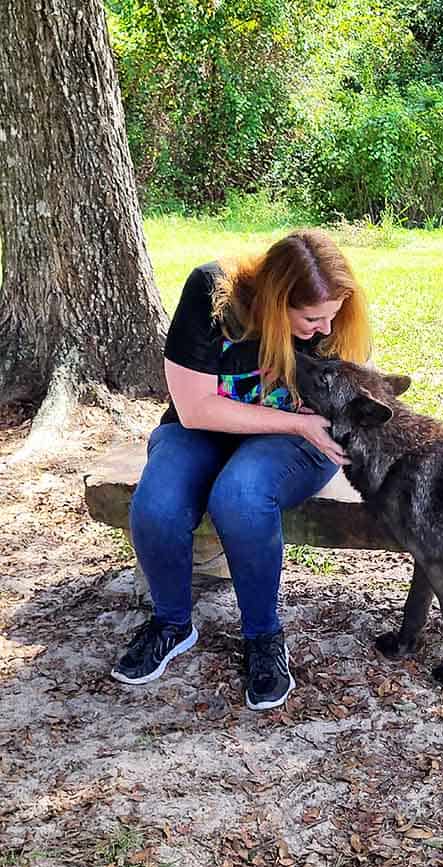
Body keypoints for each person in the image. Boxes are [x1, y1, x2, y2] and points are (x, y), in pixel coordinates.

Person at [111, 230, 372, 710]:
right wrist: (290, 417)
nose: (323, 328)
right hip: (207, 426)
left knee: (241, 496)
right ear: (275, 303)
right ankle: (171, 623)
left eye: (332, 316)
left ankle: (263, 638)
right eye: (311, 318)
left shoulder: (333, 324)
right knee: (158, 504)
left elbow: (346, 408)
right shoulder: (214, 294)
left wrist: (306, 427)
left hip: (301, 436)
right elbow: (194, 411)